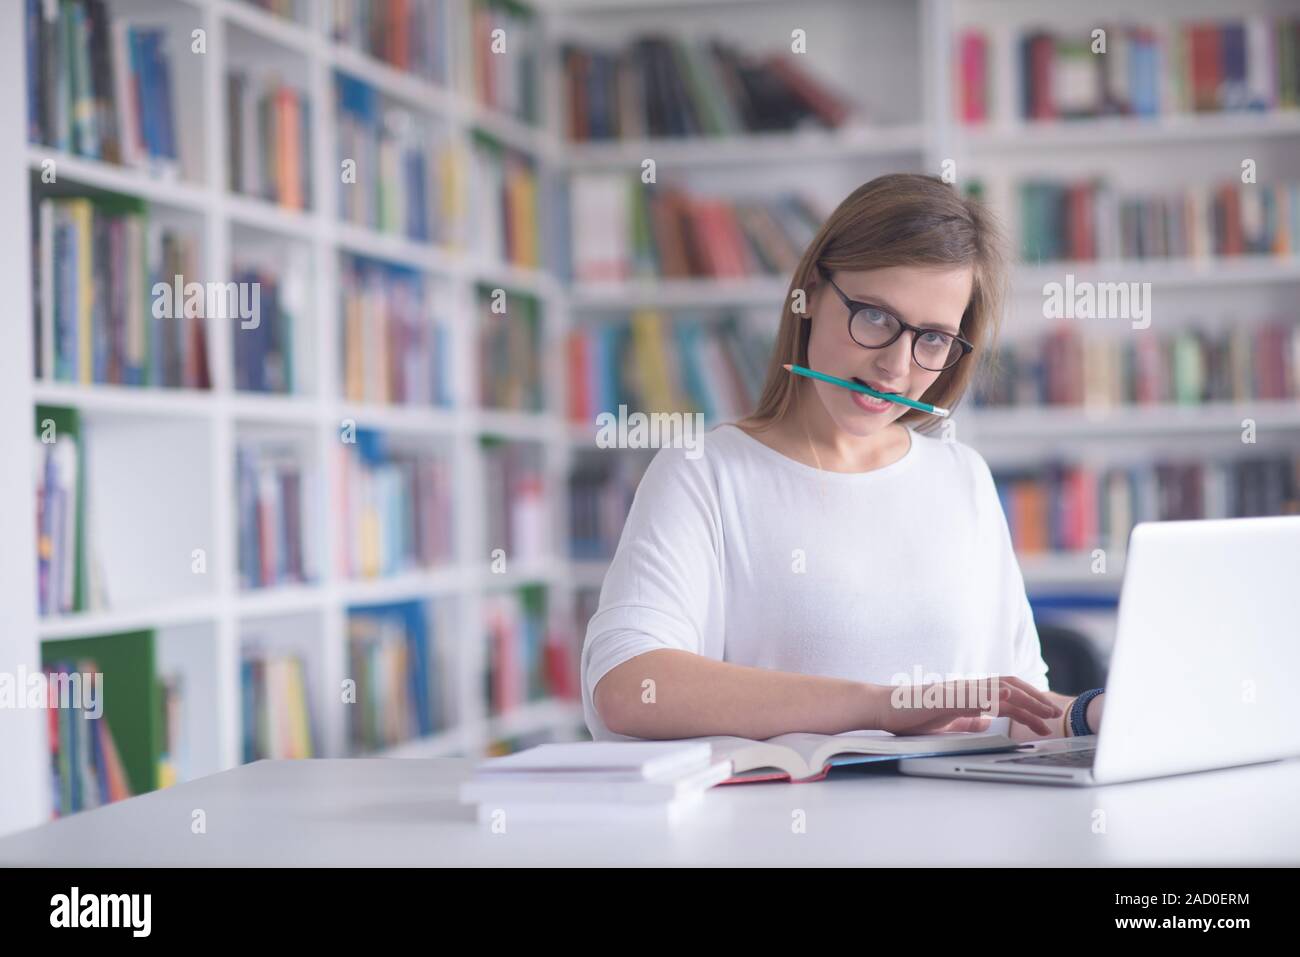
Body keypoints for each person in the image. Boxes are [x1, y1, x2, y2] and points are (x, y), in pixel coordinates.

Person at [582, 173, 1105, 743]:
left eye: (933, 338)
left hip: (954, 803)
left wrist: (1093, 715)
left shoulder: (963, 476)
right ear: (809, 293)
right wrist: (879, 706)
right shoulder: (703, 471)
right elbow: (628, 687)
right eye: (876, 317)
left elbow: (1018, 709)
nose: (895, 367)